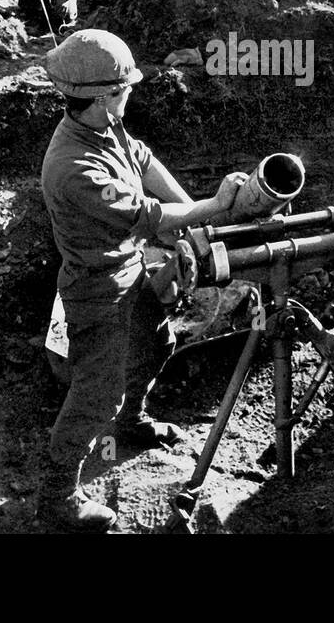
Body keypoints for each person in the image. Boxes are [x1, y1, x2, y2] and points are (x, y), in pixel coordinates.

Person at [37, 29, 248, 531]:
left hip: (128, 269)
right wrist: (215, 206)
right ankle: (58, 498)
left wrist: (200, 224)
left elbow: (146, 164)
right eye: (126, 87)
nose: (132, 92)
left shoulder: (103, 127)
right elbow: (148, 215)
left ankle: (130, 423)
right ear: (102, 96)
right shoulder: (73, 166)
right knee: (96, 393)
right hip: (95, 287)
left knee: (156, 345)